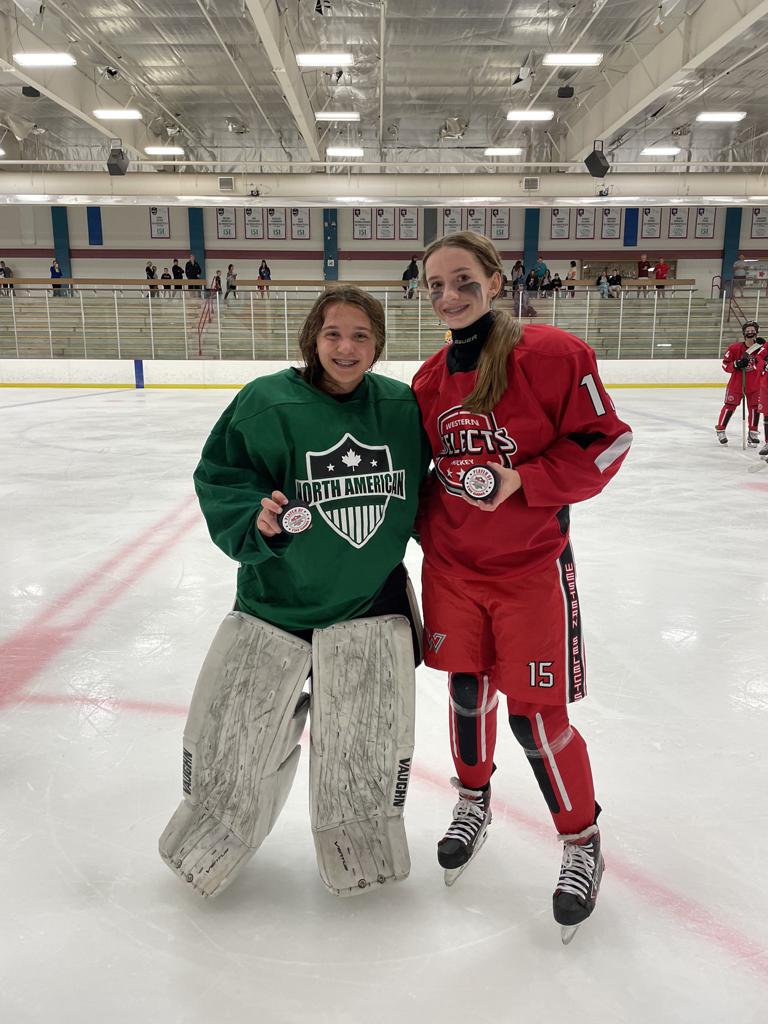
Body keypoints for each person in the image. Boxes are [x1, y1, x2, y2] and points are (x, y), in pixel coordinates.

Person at [159, 285, 430, 901]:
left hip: (368, 606)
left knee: (366, 747)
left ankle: (361, 850)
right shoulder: (265, 402)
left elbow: (428, 491)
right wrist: (253, 517)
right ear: (313, 337)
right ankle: (210, 837)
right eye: (334, 333)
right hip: (274, 607)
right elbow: (221, 478)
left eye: (362, 335)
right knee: (237, 743)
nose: (346, 346)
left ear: (379, 344)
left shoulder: (399, 406)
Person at [412, 230, 632, 941]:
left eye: (463, 281)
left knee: (535, 717)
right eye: (435, 284)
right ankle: (472, 800)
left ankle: (580, 841)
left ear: (497, 282)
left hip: (531, 571)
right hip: (452, 570)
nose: (449, 296)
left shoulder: (556, 357)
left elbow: (609, 441)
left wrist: (525, 480)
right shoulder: (426, 380)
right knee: (469, 692)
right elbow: (420, 478)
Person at [715, 320, 762, 446]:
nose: (750, 333)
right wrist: (736, 364)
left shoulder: (761, 349)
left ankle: (752, 433)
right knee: (730, 406)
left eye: (753, 331)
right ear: (744, 333)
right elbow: (725, 365)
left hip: (755, 384)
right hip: (737, 384)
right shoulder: (734, 348)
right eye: (748, 331)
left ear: (757, 332)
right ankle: (721, 429)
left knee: (755, 408)